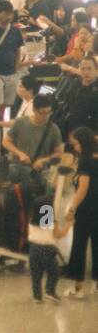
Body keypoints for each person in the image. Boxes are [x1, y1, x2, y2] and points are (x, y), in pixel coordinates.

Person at [61, 126, 96, 298]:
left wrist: (71, 208)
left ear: (82, 143)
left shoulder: (85, 161)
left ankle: (78, 288)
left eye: (76, 144)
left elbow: (82, 189)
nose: (75, 147)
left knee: (79, 247)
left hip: (86, 210)